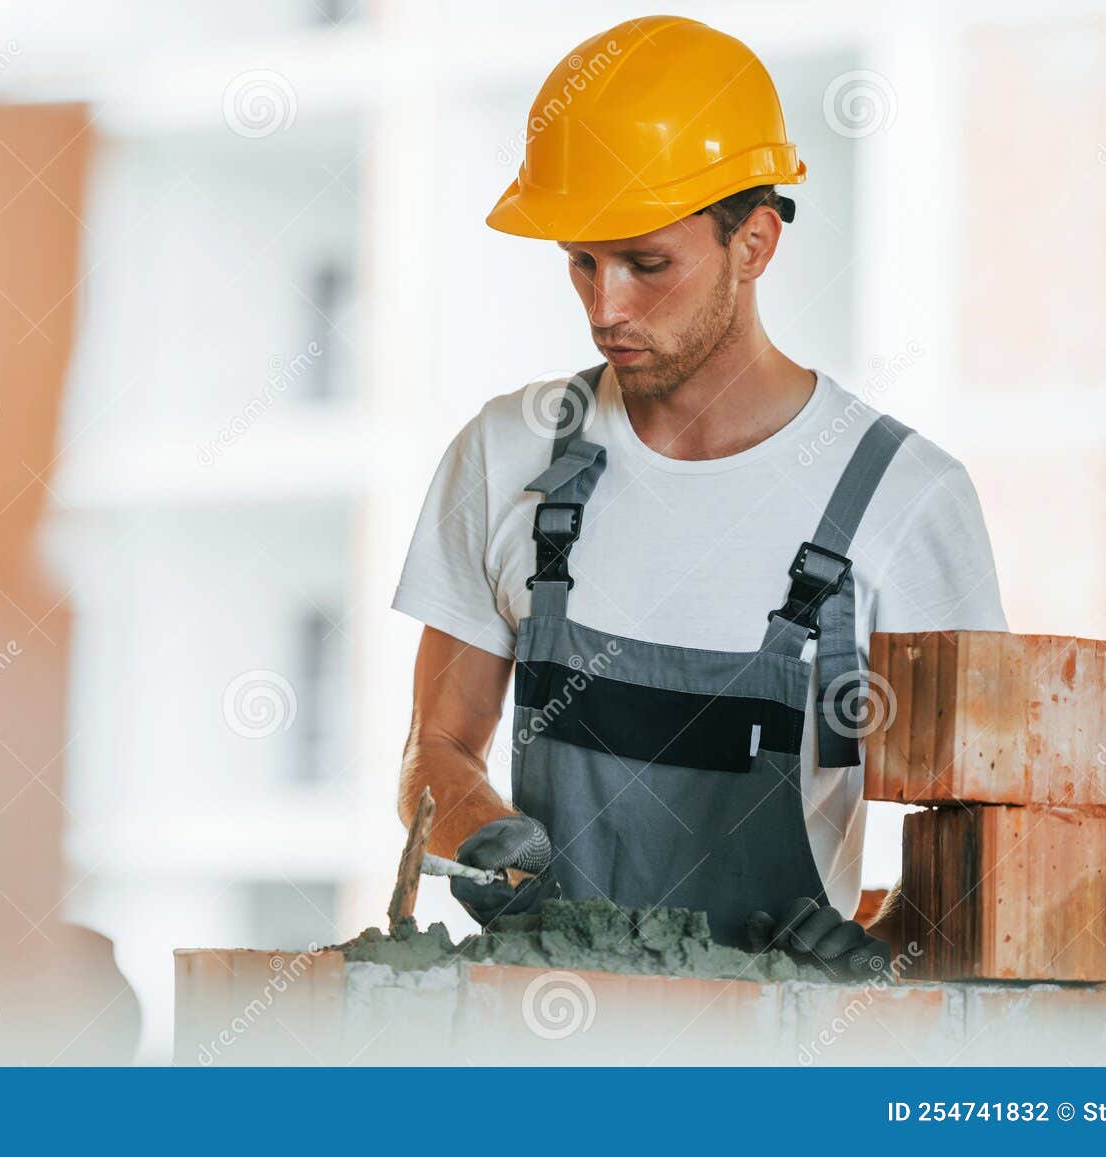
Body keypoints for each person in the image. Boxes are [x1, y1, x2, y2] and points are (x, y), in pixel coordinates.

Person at [391, 16, 1006, 977]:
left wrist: (889, 952)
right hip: (536, 1046)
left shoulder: (902, 496)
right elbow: (436, 743)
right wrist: (477, 828)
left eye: (647, 263)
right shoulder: (506, 452)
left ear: (754, 242)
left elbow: (984, 823)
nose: (606, 307)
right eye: (582, 262)